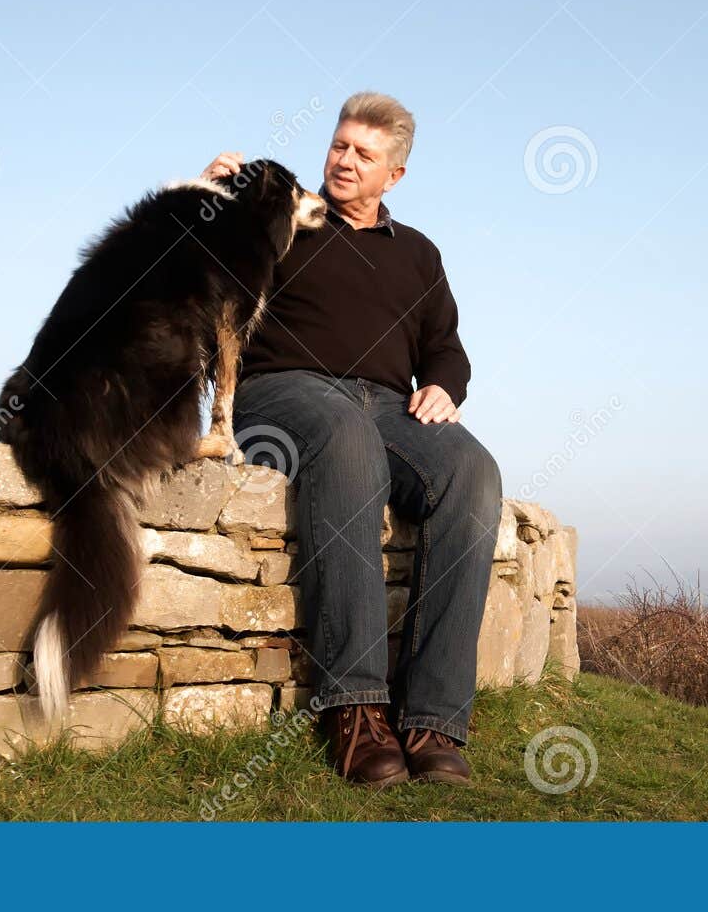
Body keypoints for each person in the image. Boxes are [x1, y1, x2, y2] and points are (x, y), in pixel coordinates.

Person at [200, 91, 501, 787]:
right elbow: (206, 271)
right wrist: (214, 196)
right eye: (339, 145)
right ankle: (355, 710)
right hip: (283, 389)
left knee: (474, 472)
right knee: (344, 436)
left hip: (390, 403)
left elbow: (447, 348)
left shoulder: (420, 254)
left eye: (364, 153)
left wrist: (445, 388)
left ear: (393, 175)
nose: (344, 160)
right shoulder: (284, 214)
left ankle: (433, 720)